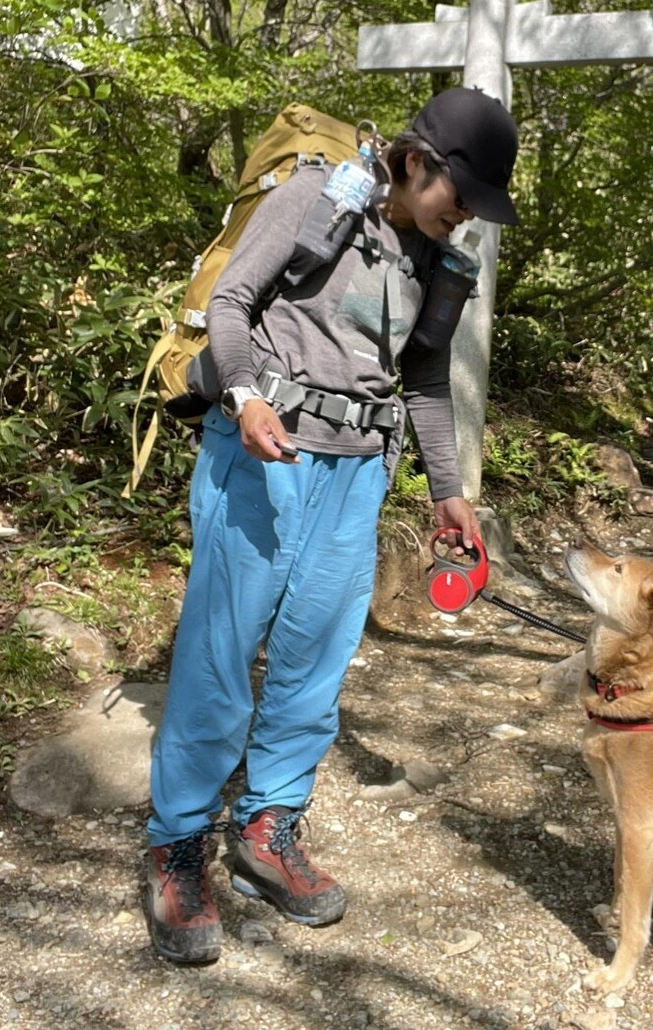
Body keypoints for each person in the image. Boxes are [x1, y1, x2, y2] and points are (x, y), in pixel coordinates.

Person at [143, 85, 520, 964]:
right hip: (262, 455)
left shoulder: (439, 257)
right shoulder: (316, 198)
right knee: (220, 656)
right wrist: (239, 398)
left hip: (358, 475)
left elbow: (422, 380)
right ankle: (177, 847)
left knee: (314, 661)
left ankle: (267, 833)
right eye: (456, 193)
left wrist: (447, 490)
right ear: (417, 161)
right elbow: (231, 304)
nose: (463, 214)